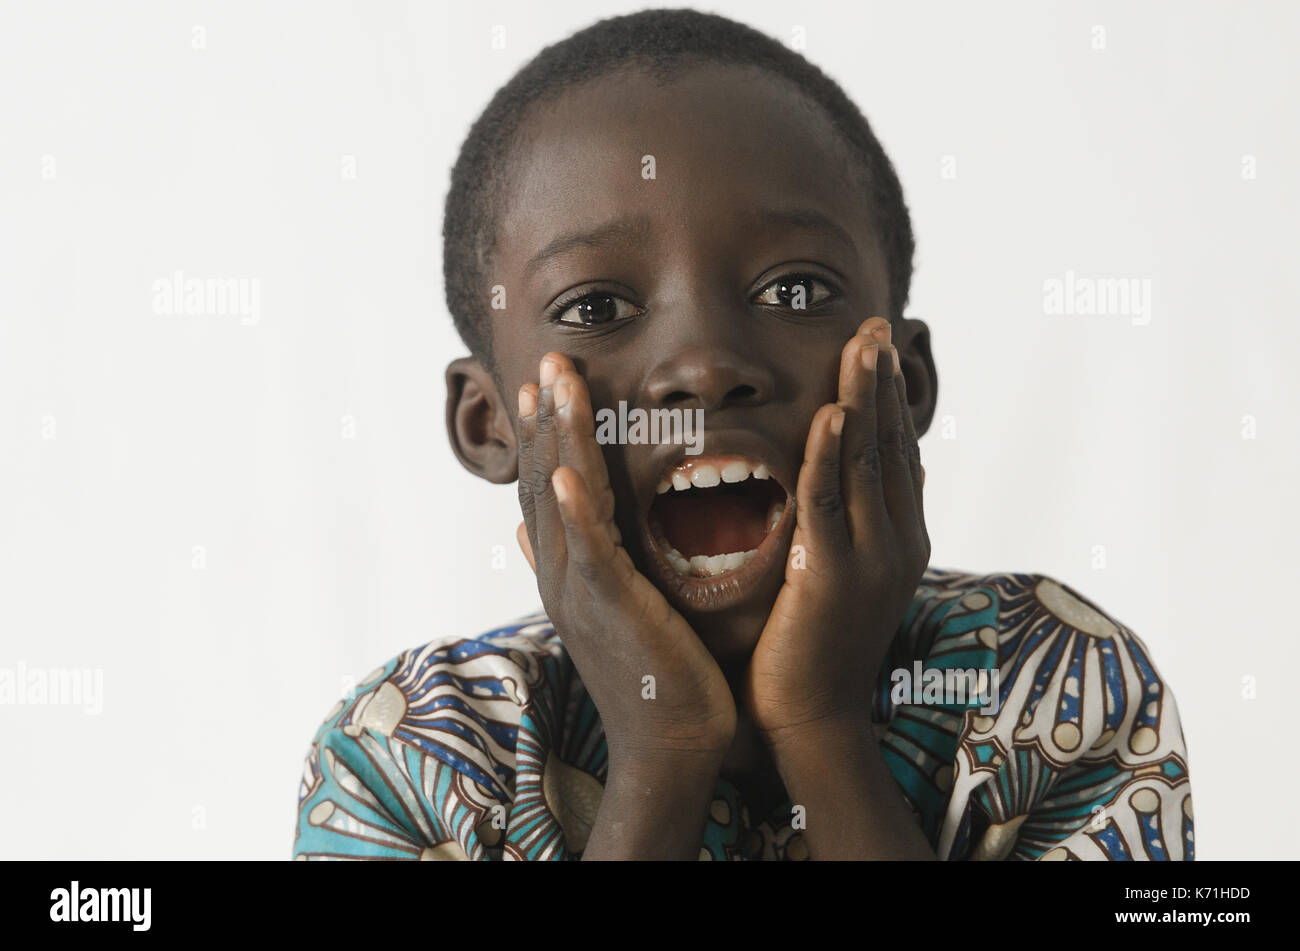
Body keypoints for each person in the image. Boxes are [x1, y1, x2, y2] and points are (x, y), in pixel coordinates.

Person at [292, 8, 1193, 861]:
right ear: (490, 423)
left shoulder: (1053, 682)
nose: (705, 364)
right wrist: (661, 751)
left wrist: (819, 724)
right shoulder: (410, 750)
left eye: (793, 290)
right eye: (597, 307)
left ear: (906, 382)